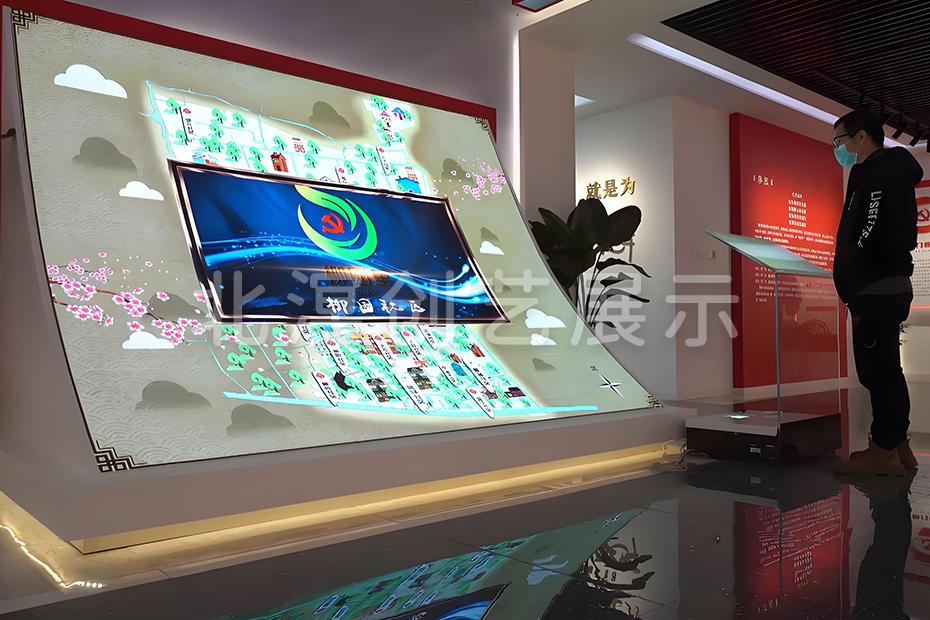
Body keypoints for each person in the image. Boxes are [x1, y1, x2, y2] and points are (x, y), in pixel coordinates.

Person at [832, 109, 922, 475]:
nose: (838, 149)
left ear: (861, 137)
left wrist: (854, 267)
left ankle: (883, 450)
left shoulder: (877, 174)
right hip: (887, 285)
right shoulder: (892, 172)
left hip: (874, 287)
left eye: (839, 141)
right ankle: (898, 446)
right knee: (888, 369)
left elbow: (870, 227)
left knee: (877, 373)